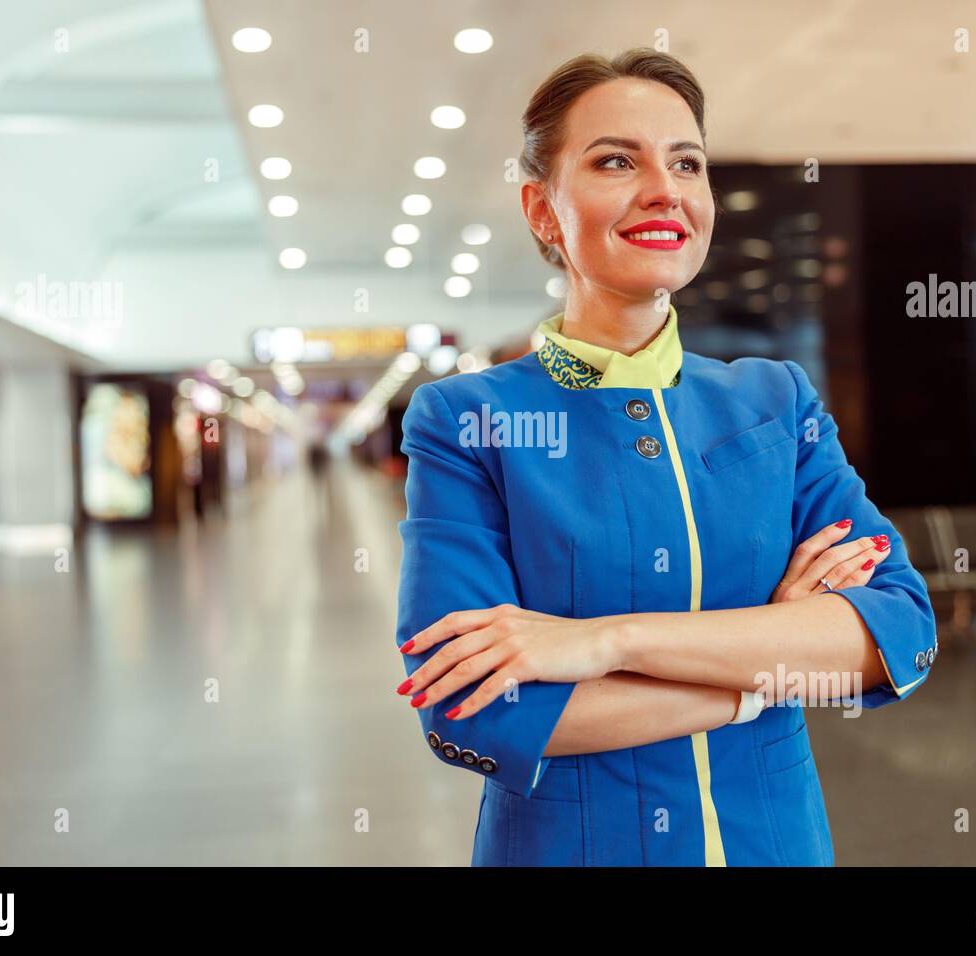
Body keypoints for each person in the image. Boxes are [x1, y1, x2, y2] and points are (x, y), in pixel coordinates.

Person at [392, 49, 938, 866]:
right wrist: (769, 664)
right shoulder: (469, 418)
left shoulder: (774, 402)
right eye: (616, 160)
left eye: (688, 163)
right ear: (542, 210)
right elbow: (472, 706)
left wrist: (604, 643)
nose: (666, 189)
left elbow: (896, 630)